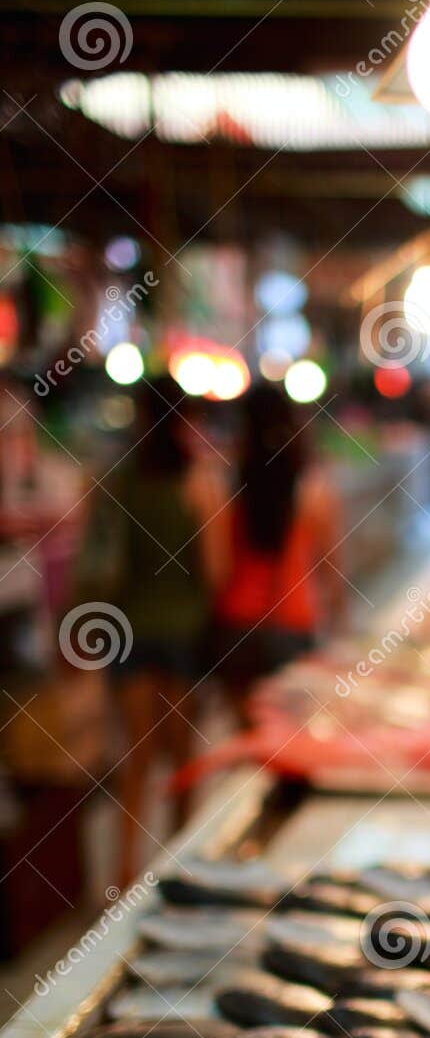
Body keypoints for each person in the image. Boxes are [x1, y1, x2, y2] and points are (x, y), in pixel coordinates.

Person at [84, 376, 226, 886]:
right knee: (182, 759)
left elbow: (99, 559)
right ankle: (177, 867)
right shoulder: (198, 482)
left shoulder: (119, 480)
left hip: (129, 631)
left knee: (136, 761)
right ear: (183, 420)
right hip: (183, 633)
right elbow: (215, 568)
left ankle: (124, 872)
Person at [210, 382, 342, 719]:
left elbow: (218, 566)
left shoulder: (225, 485)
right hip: (291, 623)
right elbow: (332, 570)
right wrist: (339, 632)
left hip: (236, 623)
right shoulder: (312, 489)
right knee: (287, 744)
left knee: (249, 737)